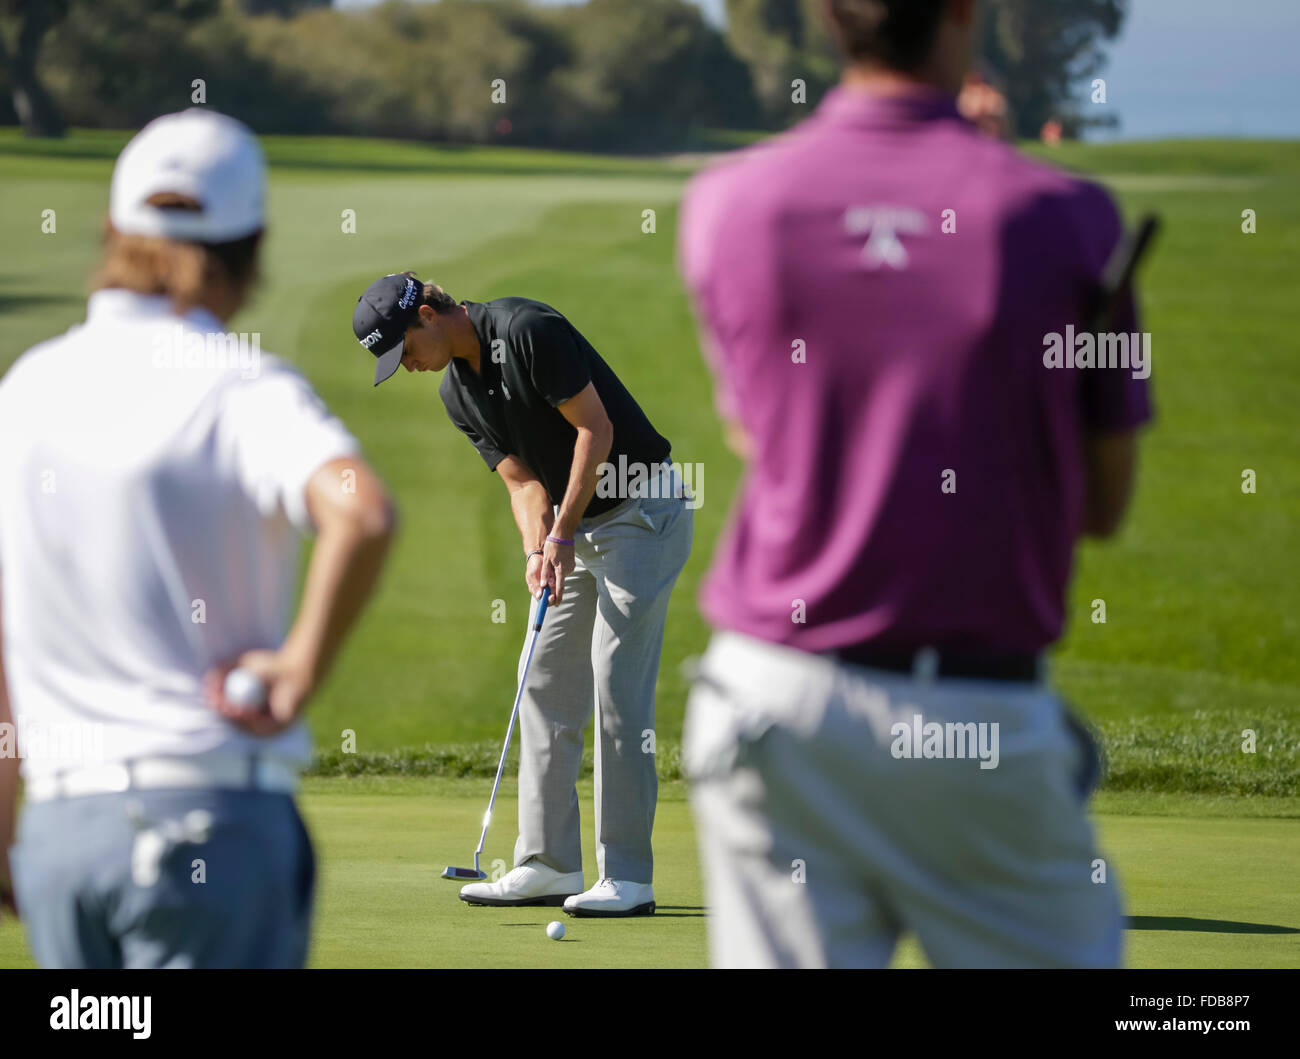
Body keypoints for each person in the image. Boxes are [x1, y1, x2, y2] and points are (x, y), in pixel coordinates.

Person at [677, 0, 1150, 967]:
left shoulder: (728, 202)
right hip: (974, 719)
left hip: (772, 698)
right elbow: (1102, 506)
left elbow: (753, 430)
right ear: (965, 12)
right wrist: (992, 183)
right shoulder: (1068, 218)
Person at [0, 108, 396, 968]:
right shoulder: (241, 386)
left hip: (66, 839)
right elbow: (360, 511)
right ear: (251, 249)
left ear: (111, 230)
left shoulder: (24, 390)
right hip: (209, 825)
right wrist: (297, 669)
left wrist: (4, 823)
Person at [353, 275, 692, 916]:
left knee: (616, 685)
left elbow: (597, 430)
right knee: (540, 677)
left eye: (406, 350)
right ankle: (548, 863)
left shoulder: (526, 330)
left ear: (428, 314)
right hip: (574, 530)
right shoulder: (458, 391)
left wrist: (563, 534)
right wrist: (539, 550)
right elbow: (521, 484)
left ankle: (627, 876)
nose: (409, 368)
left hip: (641, 514)